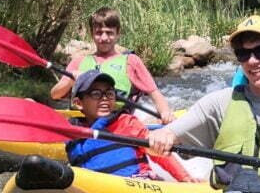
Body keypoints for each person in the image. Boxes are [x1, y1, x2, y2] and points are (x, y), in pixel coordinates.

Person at [147, 15, 260, 187]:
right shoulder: (219, 103)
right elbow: (166, 136)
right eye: (243, 54)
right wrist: (161, 136)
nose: (252, 61)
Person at [66, 69, 197, 182]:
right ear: (78, 103)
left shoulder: (125, 122)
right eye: (96, 94)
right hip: (98, 187)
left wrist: (185, 178)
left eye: (109, 94)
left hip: (139, 181)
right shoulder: (71, 131)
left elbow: (157, 150)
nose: (105, 99)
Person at [50, 7, 175, 123]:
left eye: (109, 32)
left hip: (118, 122)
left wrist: (165, 112)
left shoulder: (131, 61)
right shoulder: (78, 62)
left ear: (118, 33)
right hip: (82, 123)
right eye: (99, 33)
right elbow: (55, 94)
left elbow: (154, 93)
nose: (104, 38)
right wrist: (71, 79)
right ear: (91, 33)